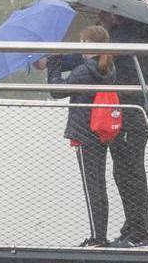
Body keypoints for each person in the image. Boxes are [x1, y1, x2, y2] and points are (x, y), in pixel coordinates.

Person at [47, 16, 148, 247]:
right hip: (118, 121)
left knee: (126, 176)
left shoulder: (126, 39)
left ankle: (135, 233)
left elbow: (61, 87)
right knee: (122, 175)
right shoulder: (112, 58)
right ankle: (131, 230)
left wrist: (54, 62)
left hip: (125, 119)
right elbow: (91, 61)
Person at [46, 25, 117, 248]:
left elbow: (57, 91)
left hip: (85, 131)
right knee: (98, 182)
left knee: (92, 184)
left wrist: (53, 65)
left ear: (88, 45)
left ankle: (98, 237)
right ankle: (99, 234)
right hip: (99, 130)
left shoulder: (85, 71)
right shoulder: (106, 68)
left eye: (82, 42)